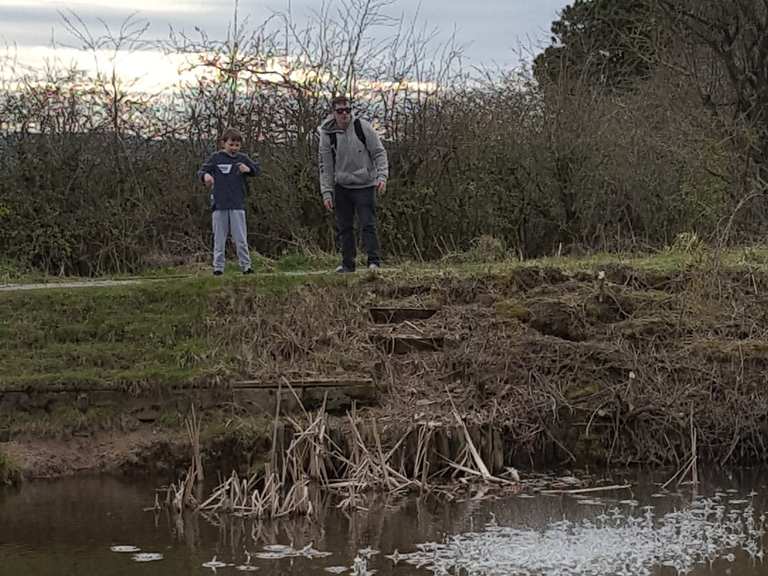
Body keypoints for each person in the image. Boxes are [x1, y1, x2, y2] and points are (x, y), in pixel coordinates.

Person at [318, 96, 388, 272]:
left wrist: (382, 177)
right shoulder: (327, 135)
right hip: (342, 185)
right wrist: (327, 192)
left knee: (368, 224)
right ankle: (348, 263)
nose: (344, 114)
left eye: (347, 110)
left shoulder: (362, 127)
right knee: (344, 228)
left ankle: (373, 261)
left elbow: (379, 153)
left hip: (365, 183)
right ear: (333, 113)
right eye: (340, 111)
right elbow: (325, 166)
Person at [197, 127, 261, 276]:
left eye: (237, 145)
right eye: (231, 144)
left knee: (240, 238)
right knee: (219, 238)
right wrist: (206, 176)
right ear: (223, 143)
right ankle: (218, 268)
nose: (234, 148)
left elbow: (257, 170)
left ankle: (246, 266)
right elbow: (201, 171)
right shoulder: (216, 158)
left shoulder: (242, 158)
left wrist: (248, 170)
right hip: (219, 204)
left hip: (237, 204)